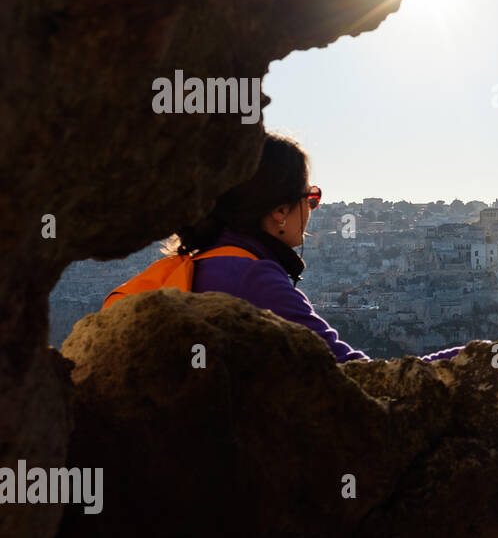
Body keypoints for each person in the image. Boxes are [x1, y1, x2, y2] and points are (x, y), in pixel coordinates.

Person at [166, 132, 465, 364]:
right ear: (280, 212)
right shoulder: (256, 279)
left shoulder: (203, 263)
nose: (312, 209)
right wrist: (474, 356)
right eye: (310, 198)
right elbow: (356, 377)